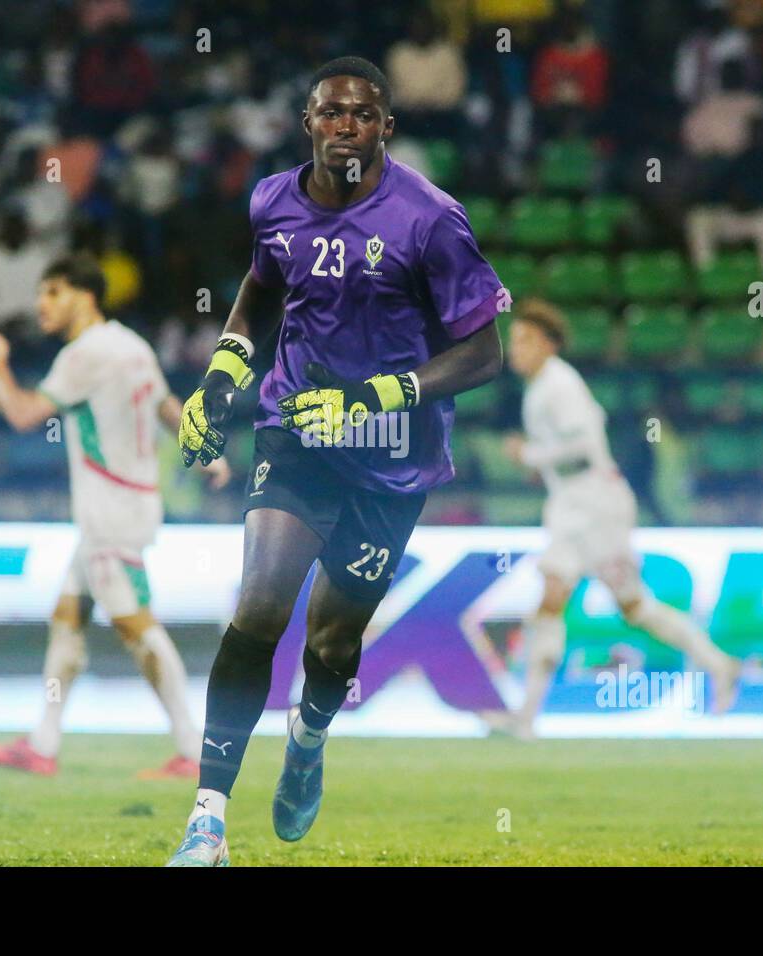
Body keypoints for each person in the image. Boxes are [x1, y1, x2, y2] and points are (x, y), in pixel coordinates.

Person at [166, 57, 504, 866]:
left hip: (392, 459)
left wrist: (379, 396)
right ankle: (207, 820)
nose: (344, 126)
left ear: (385, 128)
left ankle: (309, 738)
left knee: (330, 648)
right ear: (308, 123)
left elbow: (484, 352)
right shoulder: (274, 200)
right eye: (329, 113)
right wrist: (222, 374)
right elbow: (262, 288)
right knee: (258, 607)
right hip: (296, 433)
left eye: (362, 115)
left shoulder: (431, 220)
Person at [0, 253, 230, 780]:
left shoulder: (83, 354)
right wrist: (206, 449)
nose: (42, 304)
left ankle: (193, 747)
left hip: (110, 511)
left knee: (137, 626)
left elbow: (24, 414)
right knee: (67, 620)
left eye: (53, 293)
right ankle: (43, 744)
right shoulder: (132, 345)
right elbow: (165, 403)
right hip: (121, 507)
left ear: (84, 296)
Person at [492, 300, 741, 739]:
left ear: (549, 345)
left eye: (526, 341)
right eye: (514, 341)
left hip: (592, 503)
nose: (516, 350)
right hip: (577, 501)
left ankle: (526, 718)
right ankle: (720, 665)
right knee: (628, 607)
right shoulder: (543, 387)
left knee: (570, 600)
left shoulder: (558, 384)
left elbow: (584, 444)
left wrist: (527, 454)